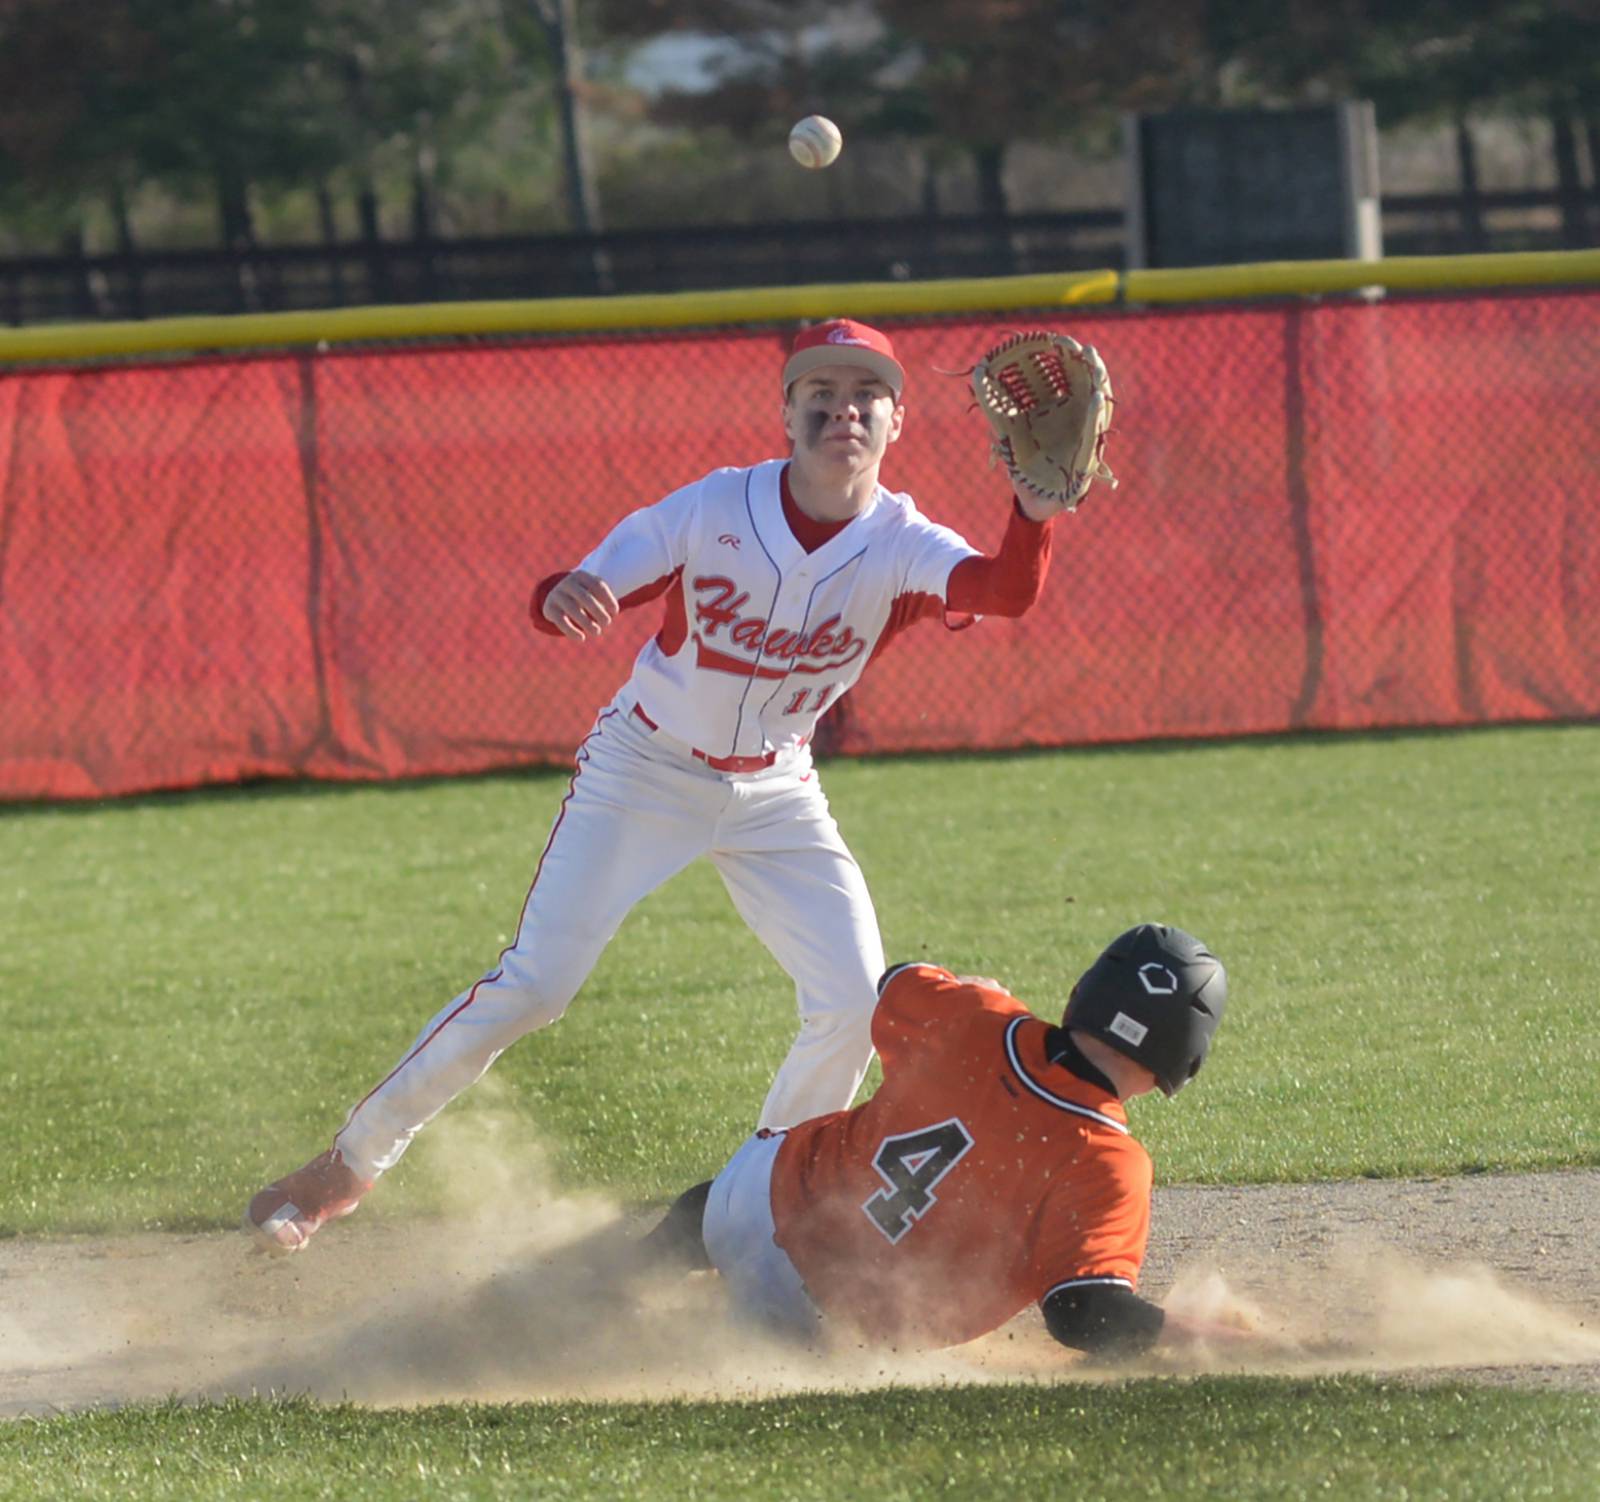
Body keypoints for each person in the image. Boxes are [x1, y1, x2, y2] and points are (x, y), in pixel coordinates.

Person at [246, 317, 1079, 1255]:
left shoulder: (901, 542)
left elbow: (1004, 591)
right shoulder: (716, 508)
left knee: (852, 1003)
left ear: (897, 422)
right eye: (820, 394)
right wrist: (564, 597)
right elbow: (588, 580)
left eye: (864, 395)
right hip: (643, 770)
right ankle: (347, 1165)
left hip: (778, 791)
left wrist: (1033, 516)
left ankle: (764, 1203)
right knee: (536, 984)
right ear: (787, 412)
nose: (842, 410)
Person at [647, 924, 1242, 1360]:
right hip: (831, 1330)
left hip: (745, 1207)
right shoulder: (1109, 1162)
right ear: (1184, 1056)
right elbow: (1085, 1314)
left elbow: (896, 980)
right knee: (787, 1348)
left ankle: (615, 1273)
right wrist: (1225, 1340)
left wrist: (975, 995)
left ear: (1086, 992)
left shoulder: (981, 1018)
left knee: (741, 1193)